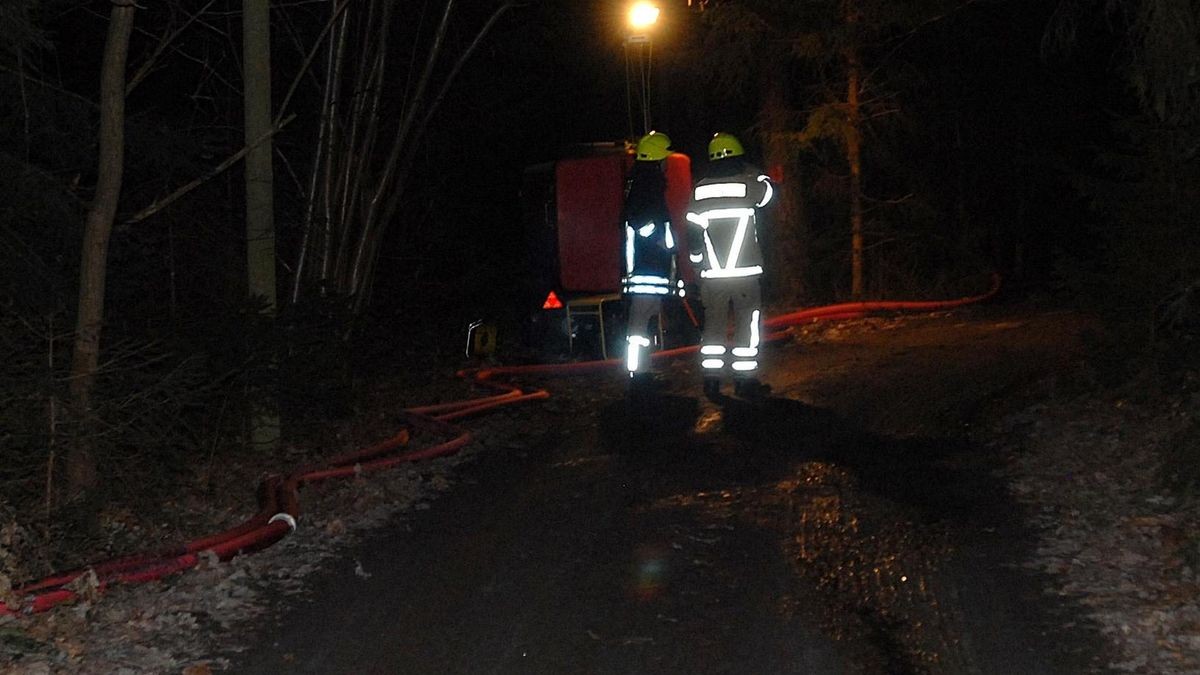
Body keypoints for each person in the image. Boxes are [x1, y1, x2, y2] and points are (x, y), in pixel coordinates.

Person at [685, 132, 774, 399]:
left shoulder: (699, 190)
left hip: (713, 275)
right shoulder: (748, 184)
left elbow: (693, 237)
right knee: (747, 323)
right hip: (745, 273)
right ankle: (744, 381)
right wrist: (755, 172)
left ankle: (711, 382)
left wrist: (698, 267)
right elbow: (769, 193)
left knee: (713, 325)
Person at [621, 131, 682, 390]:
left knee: (644, 323)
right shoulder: (646, 185)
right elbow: (637, 220)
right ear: (657, 159)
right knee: (639, 326)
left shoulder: (644, 183)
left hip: (651, 267)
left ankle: (643, 374)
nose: (667, 163)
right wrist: (657, 239)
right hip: (646, 268)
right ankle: (638, 378)